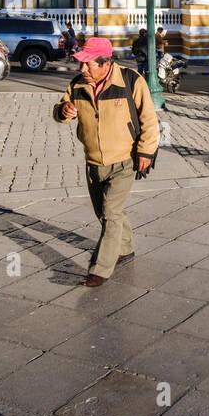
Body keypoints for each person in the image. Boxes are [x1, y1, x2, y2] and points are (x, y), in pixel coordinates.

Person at [52, 37, 159, 286]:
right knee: (105, 212)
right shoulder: (78, 84)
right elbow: (60, 109)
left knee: (110, 212)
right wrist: (63, 110)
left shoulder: (131, 80)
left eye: (88, 64)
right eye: (81, 64)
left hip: (125, 159)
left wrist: (145, 152)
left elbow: (150, 120)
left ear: (104, 63)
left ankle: (99, 269)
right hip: (93, 161)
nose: (83, 69)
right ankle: (125, 247)